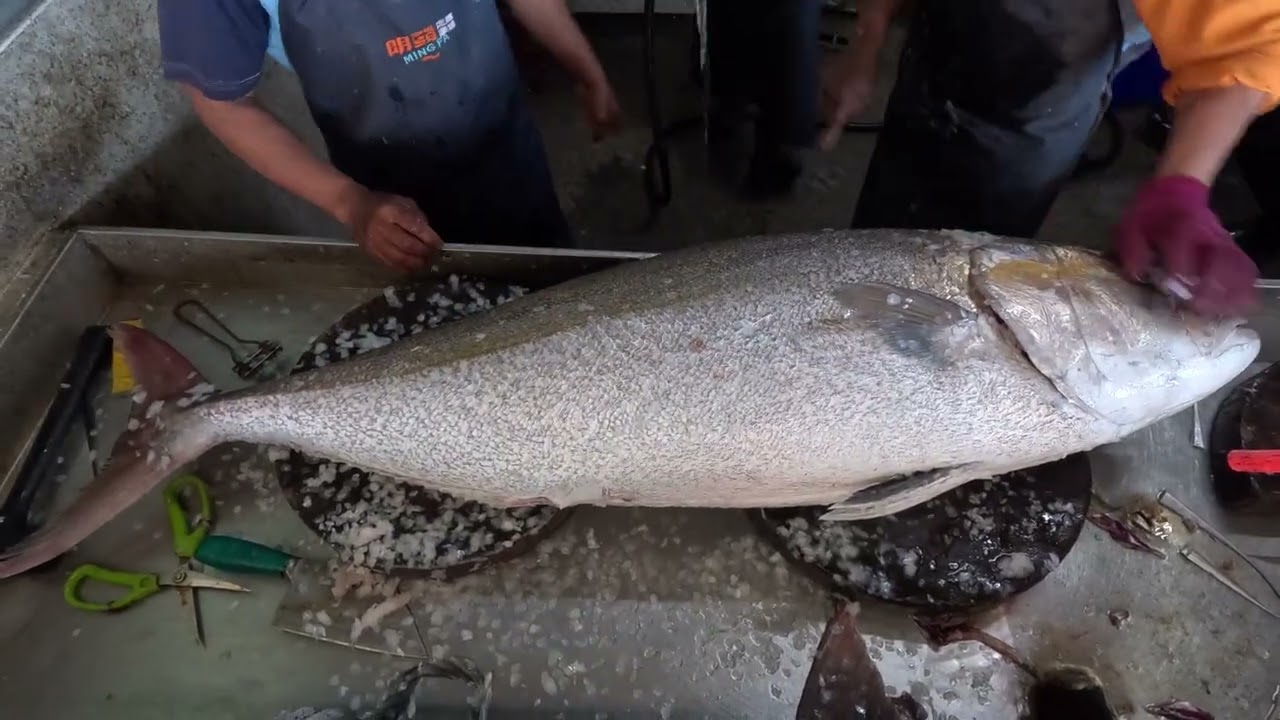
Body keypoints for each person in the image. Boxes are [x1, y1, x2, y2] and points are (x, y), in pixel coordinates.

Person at [820, 0, 1280, 315]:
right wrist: (868, 42)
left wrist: (1180, 188)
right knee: (884, 239)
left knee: (961, 269)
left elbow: (1239, 42)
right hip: (949, 48)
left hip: (1044, 75)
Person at [157, 0, 621, 272]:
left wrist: (587, 70)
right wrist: (349, 203)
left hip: (506, 136)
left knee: (550, 272)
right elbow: (221, 104)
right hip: (391, 186)